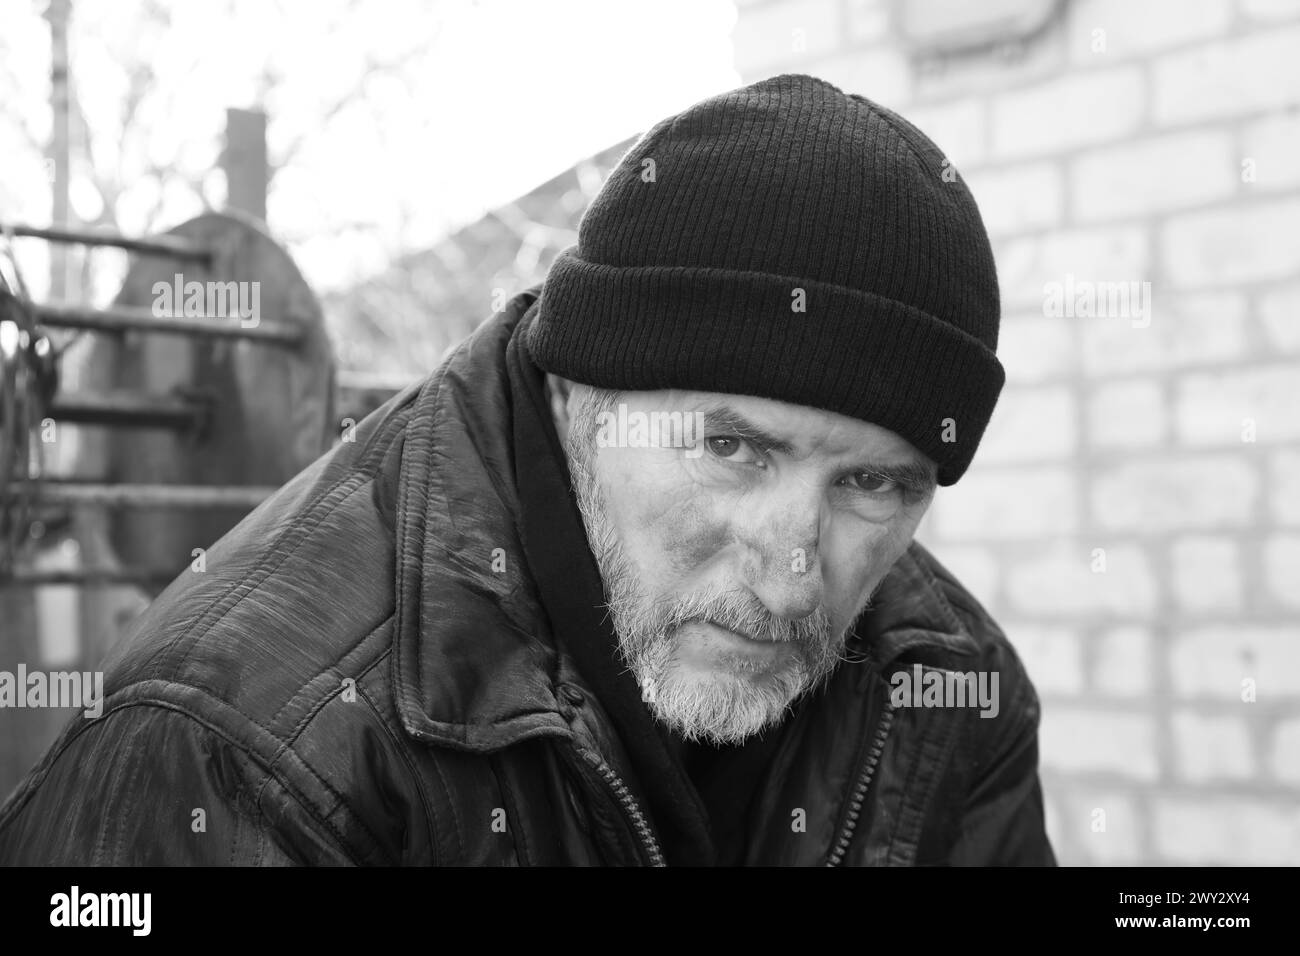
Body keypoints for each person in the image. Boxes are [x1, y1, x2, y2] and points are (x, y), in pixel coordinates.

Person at [0, 73, 1054, 866]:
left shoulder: (949, 688)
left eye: (873, 484)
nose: (789, 574)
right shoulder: (241, 745)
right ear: (576, 394)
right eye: (730, 446)